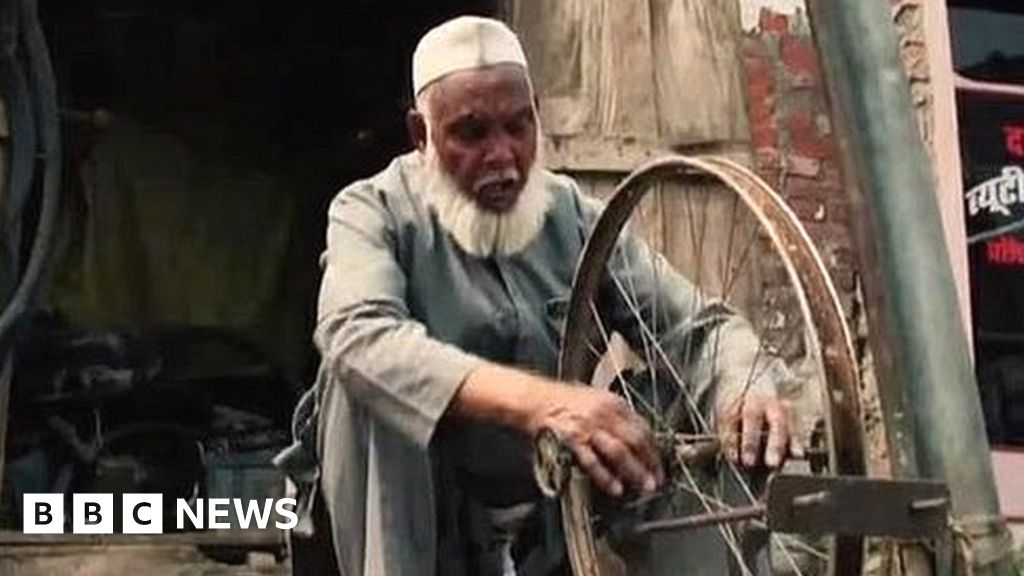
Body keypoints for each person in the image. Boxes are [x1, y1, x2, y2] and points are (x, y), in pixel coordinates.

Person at [279, 15, 794, 576]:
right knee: (367, 382)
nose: (503, 155)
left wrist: (743, 388)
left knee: (695, 385)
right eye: (470, 133)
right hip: (415, 513)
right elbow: (357, 335)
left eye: (517, 127)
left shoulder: (572, 216)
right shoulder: (371, 211)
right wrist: (546, 402)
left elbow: (701, 325)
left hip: (546, 505)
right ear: (420, 135)